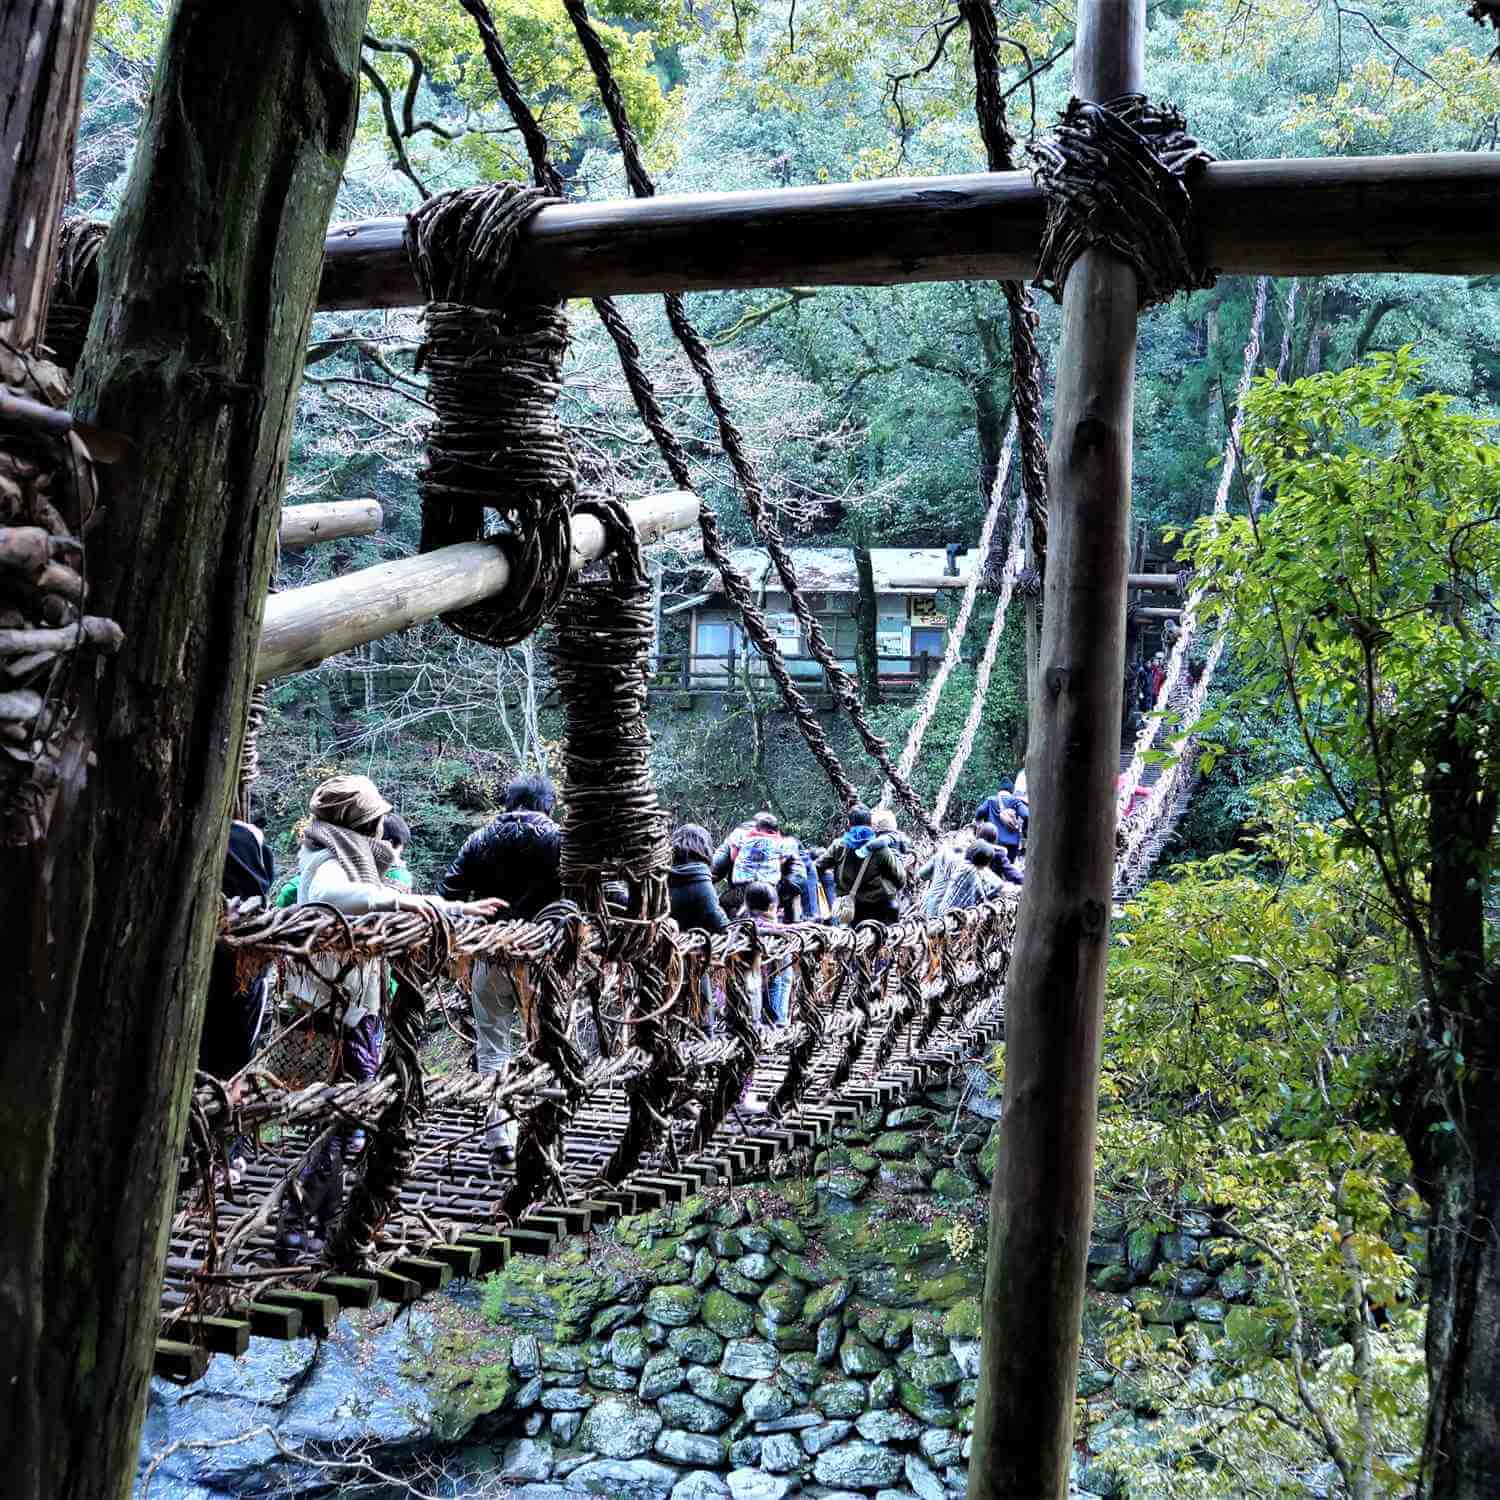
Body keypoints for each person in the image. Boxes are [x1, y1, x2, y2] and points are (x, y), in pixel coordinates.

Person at [278, 775, 500, 1258]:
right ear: (362, 821)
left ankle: (314, 1227)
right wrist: (410, 901)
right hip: (337, 1010)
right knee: (340, 1117)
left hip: (351, 1007)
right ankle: (299, 1229)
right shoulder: (329, 861)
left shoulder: (350, 858)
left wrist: (454, 908)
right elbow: (341, 898)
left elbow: (378, 897)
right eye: (376, 816)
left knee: (342, 1117)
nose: (382, 823)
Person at [439, 773, 563, 1167]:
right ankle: (548, 1129)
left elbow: (448, 896)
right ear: (547, 804)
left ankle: (500, 1139)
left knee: (492, 1046)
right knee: (551, 1044)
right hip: (543, 957)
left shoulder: (478, 839)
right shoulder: (561, 840)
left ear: (510, 802)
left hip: (490, 954)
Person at [817, 804, 905, 925]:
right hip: (881, 908)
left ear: (848, 823)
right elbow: (900, 878)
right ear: (870, 824)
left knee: (851, 940)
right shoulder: (880, 848)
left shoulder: (838, 846)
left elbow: (817, 867)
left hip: (851, 909)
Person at [711, 811, 785, 905]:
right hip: (770, 889)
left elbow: (726, 861)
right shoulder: (778, 840)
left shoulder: (739, 834)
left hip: (743, 886)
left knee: (724, 903)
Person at [743, 879, 791, 1026]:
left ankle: (763, 1021)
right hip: (768, 982)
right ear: (771, 907)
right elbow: (793, 930)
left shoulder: (747, 922)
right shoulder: (772, 927)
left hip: (750, 986)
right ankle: (779, 1018)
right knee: (783, 977)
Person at [667, 822, 729, 935]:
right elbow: (716, 918)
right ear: (705, 849)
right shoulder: (700, 878)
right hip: (694, 945)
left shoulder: (664, 875)